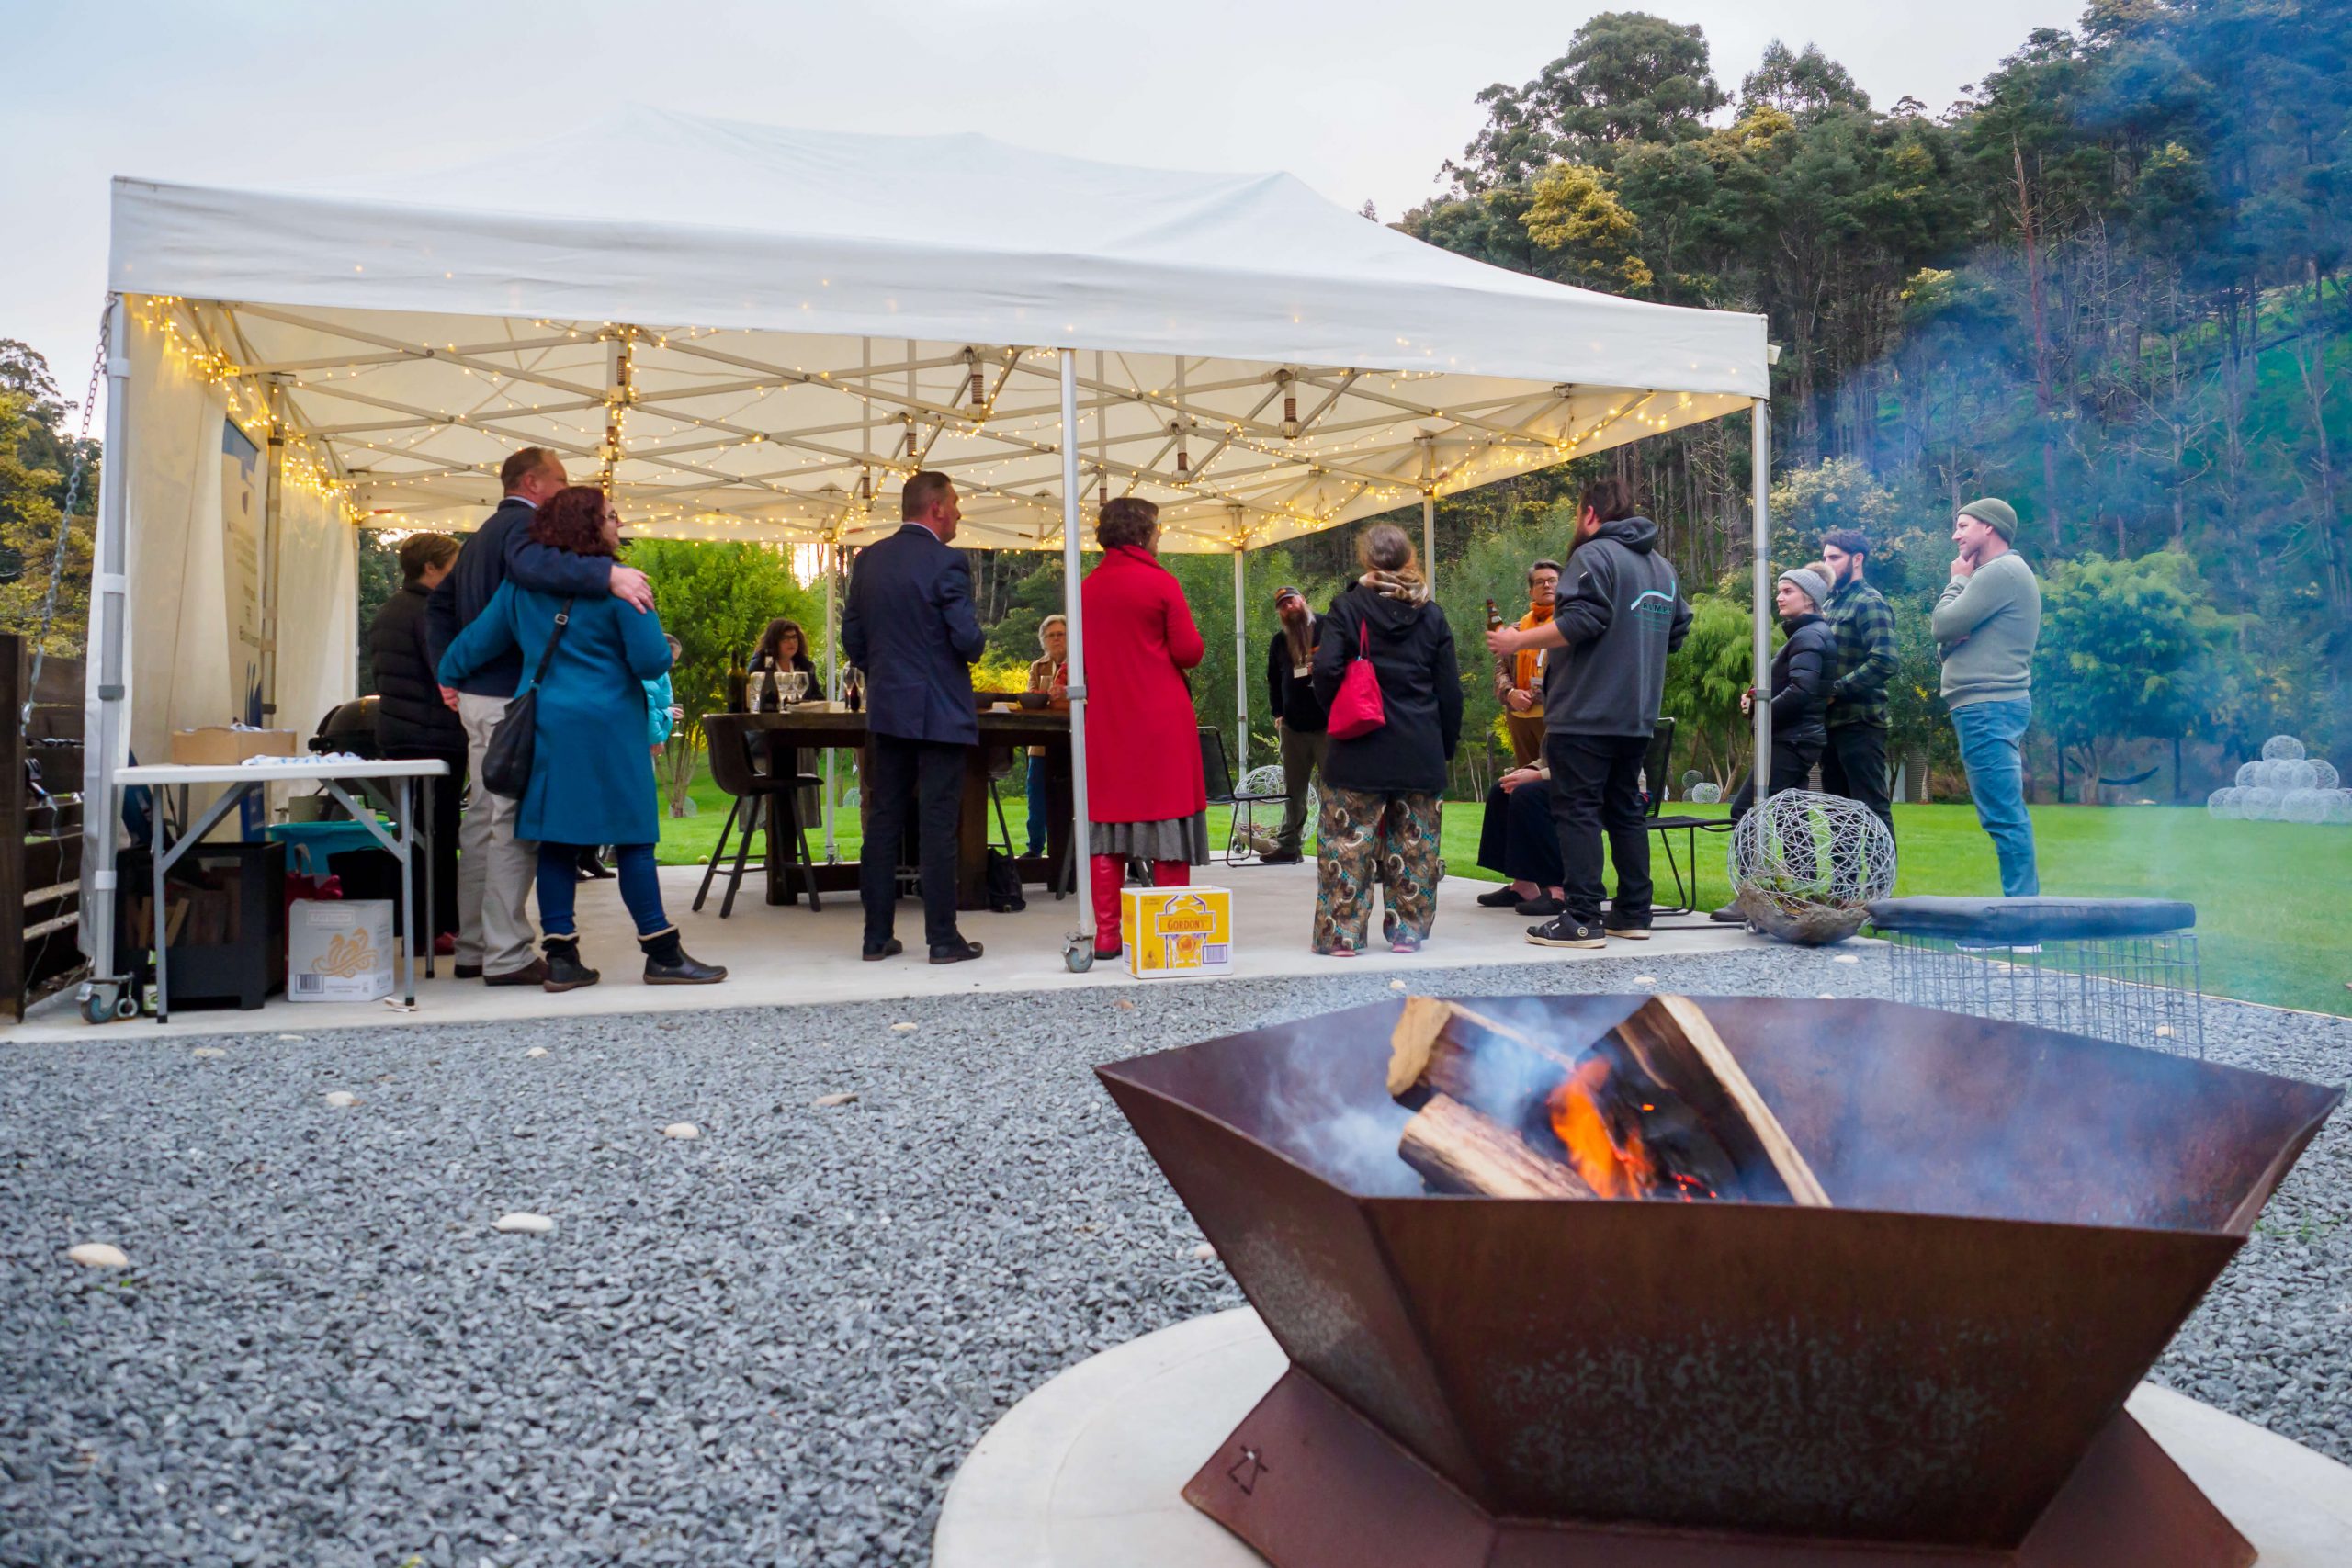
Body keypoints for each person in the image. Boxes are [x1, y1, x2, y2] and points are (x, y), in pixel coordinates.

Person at [435, 486, 724, 990]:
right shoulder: (625, 588)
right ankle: (662, 952)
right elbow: (652, 660)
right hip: (610, 727)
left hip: (547, 726)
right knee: (634, 840)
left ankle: (563, 958)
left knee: (557, 843)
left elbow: (472, 645)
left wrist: (449, 679)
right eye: (611, 518)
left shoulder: (521, 589)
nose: (619, 526)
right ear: (590, 527)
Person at [426, 446, 655, 986]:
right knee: (517, 829)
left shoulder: (479, 535)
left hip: (482, 694)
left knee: (482, 824)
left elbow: (440, 607)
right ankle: (507, 954)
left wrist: (448, 671)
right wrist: (609, 576)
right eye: (560, 479)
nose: (566, 487)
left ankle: (474, 948)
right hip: (520, 699)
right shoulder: (524, 537)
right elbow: (534, 567)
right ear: (534, 483)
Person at [1487, 477, 1690, 949]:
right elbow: (1677, 632)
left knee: (1577, 811)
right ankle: (1634, 913)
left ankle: (1581, 917)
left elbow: (1582, 620)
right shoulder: (1663, 569)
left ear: (1591, 514)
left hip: (1585, 713)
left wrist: (1516, 641)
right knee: (1624, 811)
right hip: (1637, 715)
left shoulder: (1593, 555)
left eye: (1580, 514)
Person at [841, 471, 988, 964]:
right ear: (938, 507)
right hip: (940, 710)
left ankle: (875, 936)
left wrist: (885, 673)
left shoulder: (870, 560)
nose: (960, 515)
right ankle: (942, 938)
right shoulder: (946, 563)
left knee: (883, 822)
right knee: (938, 823)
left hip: (888, 708)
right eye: (957, 504)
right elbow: (967, 641)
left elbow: (853, 637)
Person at [1310, 524, 1461, 956]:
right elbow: (1449, 690)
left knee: (1346, 844)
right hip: (1419, 746)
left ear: (1367, 560)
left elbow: (1325, 671)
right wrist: (1443, 746)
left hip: (1359, 745)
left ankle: (1342, 936)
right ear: (1409, 558)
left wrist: (1335, 713)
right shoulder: (1432, 614)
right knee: (1415, 848)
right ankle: (1407, 934)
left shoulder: (1347, 607)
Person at [1080, 498, 1209, 961]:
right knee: (1168, 824)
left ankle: (1107, 936)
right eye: (1157, 528)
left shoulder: (1086, 589)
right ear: (1141, 533)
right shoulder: (1161, 583)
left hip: (1108, 720)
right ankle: (1171, 933)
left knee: (1108, 828)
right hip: (1160, 721)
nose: (1160, 536)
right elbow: (1190, 651)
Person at [1711, 566, 1837, 920]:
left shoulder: (1809, 636)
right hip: (1797, 738)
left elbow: (1801, 691)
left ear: (1809, 598)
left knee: (1745, 813)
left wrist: (1761, 715)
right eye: (1779, 591)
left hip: (1791, 740)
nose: (1779, 597)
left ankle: (1753, 900)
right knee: (1790, 819)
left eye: (1787, 591)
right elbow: (1794, 688)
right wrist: (1757, 701)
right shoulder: (1809, 634)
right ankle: (1804, 896)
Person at [1934, 497, 2042, 897]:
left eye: (1963, 525)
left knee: (2004, 816)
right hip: (1984, 706)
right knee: (2001, 814)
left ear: (1989, 528)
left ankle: (2023, 922)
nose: (1955, 534)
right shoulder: (2000, 574)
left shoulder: (2000, 573)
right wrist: (1951, 640)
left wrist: (1957, 580)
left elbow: (1943, 625)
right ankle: (2022, 915)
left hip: (1989, 706)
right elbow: (1946, 644)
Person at [366, 532, 466, 955]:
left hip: (401, 733)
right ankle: (435, 927)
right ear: (431, 568)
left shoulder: (392, 609)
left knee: (418, 833)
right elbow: (446, 672)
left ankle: (426, 925)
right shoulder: (428, 612)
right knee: (438, 835)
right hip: (433, 736)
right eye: (453, 566)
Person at [1818, 528, 1898, 859]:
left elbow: (1885, 660)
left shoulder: (1870, 601)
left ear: (1857, 559)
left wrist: (1837, 689)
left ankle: (1881, 892)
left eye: (1834, 558)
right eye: (1824, 558)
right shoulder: (1828, 603)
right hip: (1829, 724)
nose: (1826, 565)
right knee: (1838, 814)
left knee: (1872, 809)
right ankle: (1843, 893)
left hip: (1861, 723)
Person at [1261, 586, 1328, 864]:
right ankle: (1289, 846)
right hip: (1293, 728)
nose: (1289, 607)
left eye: (1292, 600)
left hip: (1328, 725)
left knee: (1333, 789)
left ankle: (1333, 846)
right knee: (1293, 790)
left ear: (1303, 600)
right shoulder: (1279, 641)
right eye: (1283, 605)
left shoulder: (1327, 628)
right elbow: (1273, 680)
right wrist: (1278, 712)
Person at [1473, 761, 1566, 916]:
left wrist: (1538, 775)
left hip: (1588, 781)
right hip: (1561, 773)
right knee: (1502, 790)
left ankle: (1559, 889)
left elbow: (1583, 761)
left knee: (1529, 795)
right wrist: (1528, 770)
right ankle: (1523, 885)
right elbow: (1551, 754)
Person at [1495, 558, 1561, 766]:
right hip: (1519, 715)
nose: (1547, 586)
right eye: (1540, 582)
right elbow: (1500, 668)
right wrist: (1510, 693)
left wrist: (1541, 693)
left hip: (1556, 715)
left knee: (1556, 773)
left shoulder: (1569, 627)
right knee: (1525, 778)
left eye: (1552, 581)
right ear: (1531, 591)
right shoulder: (1516, 630)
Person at [1023, 615, 1069, 861]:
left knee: (1071, 796)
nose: (1056, 639)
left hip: (1073, 741)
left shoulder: (1082, 664)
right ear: (1044, 641)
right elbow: (1032, 698)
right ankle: (1036, 847)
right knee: (1036, 792)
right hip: (1041, 741)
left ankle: (1072, 852)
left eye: (1060, 634)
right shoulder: (1037, 667)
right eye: (1051, 635)